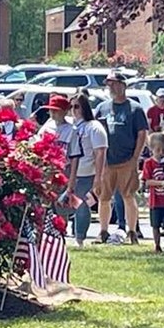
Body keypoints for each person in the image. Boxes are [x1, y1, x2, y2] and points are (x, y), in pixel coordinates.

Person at [94, 71, 148, 245]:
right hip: (107, 161)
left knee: (128, 196)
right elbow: (96, 131)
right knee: (104, 197)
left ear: (123, 85)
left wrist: (135, 158)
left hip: (127, 160)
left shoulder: (135, 108)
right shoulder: (102, 107)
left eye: (114, 83)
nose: (111, 87)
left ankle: (132, 232)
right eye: (108, 84)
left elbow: (142, 134)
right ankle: (103, 232)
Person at [66, 94, 107, 247]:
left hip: (87, 173)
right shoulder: (73, 126)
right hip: (71, 173)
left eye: (76, 106)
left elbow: (100, 152)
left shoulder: (94, 127)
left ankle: (80, 239)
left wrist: (99, 177)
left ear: (85, 108)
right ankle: (72, 234)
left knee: (82, 205)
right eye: (71, 107)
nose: (73, 110)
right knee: (70, 206)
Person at [141, 132, 164, 252]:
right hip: (155, 201)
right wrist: (160, 183)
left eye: (163, 150)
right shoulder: (149, 163)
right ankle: (157, 245)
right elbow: (147, 182)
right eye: (157, 149)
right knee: (155, 224)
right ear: (151, 149)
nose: (161, 152)